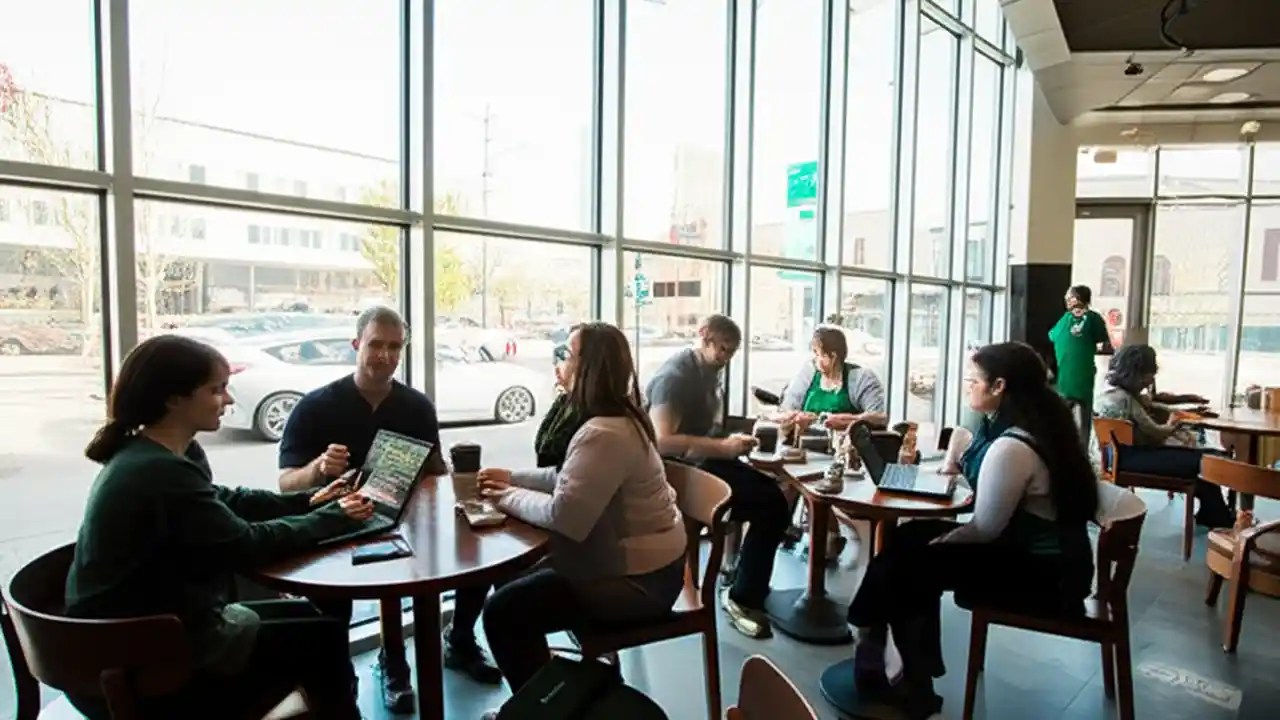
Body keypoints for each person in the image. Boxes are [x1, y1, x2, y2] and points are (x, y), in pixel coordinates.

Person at [65, 335, 371, 720]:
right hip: (150, 667)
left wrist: (310, 501)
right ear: (174, 398)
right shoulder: (158, 471)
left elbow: (225, 501)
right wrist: (336, 516)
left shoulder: (158, 453)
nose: (227, 400)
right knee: (323, 643)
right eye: (216, 389)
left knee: (319, 626)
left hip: (142, 640)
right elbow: (246, 545)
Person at [847, 342, 1099, 719]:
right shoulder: (1034, 427)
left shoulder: (1013, 446)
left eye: (973, 381)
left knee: (913, 563)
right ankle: (892, 657)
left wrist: (941, 540)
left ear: (999, 386)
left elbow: (984, 528)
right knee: (909, 543)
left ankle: (883, 649)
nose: (967, 387)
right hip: (1053, 560)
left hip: (1045, 579)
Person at [277, 306, 500, 713]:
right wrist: (319, 469)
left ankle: (460, 639)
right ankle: (363, 672)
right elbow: (286, 481)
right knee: (334, 605)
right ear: (355, 344)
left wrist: (456, 476)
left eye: (394, 346)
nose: (385, 354)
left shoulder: (416, 405)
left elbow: (435, 470)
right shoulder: (316, 406)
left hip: (411, 519)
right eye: (376, 344)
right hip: (340, 523)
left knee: (477, 551)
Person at [476, 323, 686, 716]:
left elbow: (565, 515)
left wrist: (505, 496)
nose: (561, 362)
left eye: (567, 355)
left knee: (504, 612)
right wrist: (513, 478)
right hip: (648, 566)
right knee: (510, 584)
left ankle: (544, 711)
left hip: (643, 584)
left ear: (587, 367)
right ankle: (544, 698)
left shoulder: (604, 432)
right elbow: (570, 479)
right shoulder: (618, 419)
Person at [645, 314, 789, 639]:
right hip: (674, 475)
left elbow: (702, 430)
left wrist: (735, 438)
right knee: (773, 505)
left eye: (731, 352)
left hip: (698, 464)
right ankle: (741, 596)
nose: (726, 358)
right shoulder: (676, 377)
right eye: (722, 350)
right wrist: (724, 447)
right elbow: (662, 439)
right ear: (703, 337)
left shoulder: (707, 372)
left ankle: (740, 577)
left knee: (774, 497)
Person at [1093, 343, 1233, 528]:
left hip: (1113, 458)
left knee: (1201, 464)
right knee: (1205, 460)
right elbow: (1157, 433)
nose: (1152, 379)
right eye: (1150, 373)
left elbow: (1148, 416)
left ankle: (1213, 513)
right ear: (1138, 373)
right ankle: (1221, 517)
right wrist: (1174, 421)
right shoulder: (1127, 400)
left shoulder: (1109, 395)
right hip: (1134, 459)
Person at [773, 325, 888, 434]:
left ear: (833, 356)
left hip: (845, 447)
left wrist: (848, 420)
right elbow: (784, 412)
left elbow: (880, 417)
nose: (815, 359)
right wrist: (797, 417)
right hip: (805, 444)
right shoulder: (808, 374)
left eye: (819, 354)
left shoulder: (861, 378)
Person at [1048, 285, 1113, 443]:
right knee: (1084, 421)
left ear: (1076, 299)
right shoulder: (1093, 318)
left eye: (1069, 297)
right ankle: (1082, 453)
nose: (1066, 300)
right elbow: (1104, 343)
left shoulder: (1065, 319)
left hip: (1063, 378)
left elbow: (1052, 336)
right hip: (1084, 375)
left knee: (1059, 420)